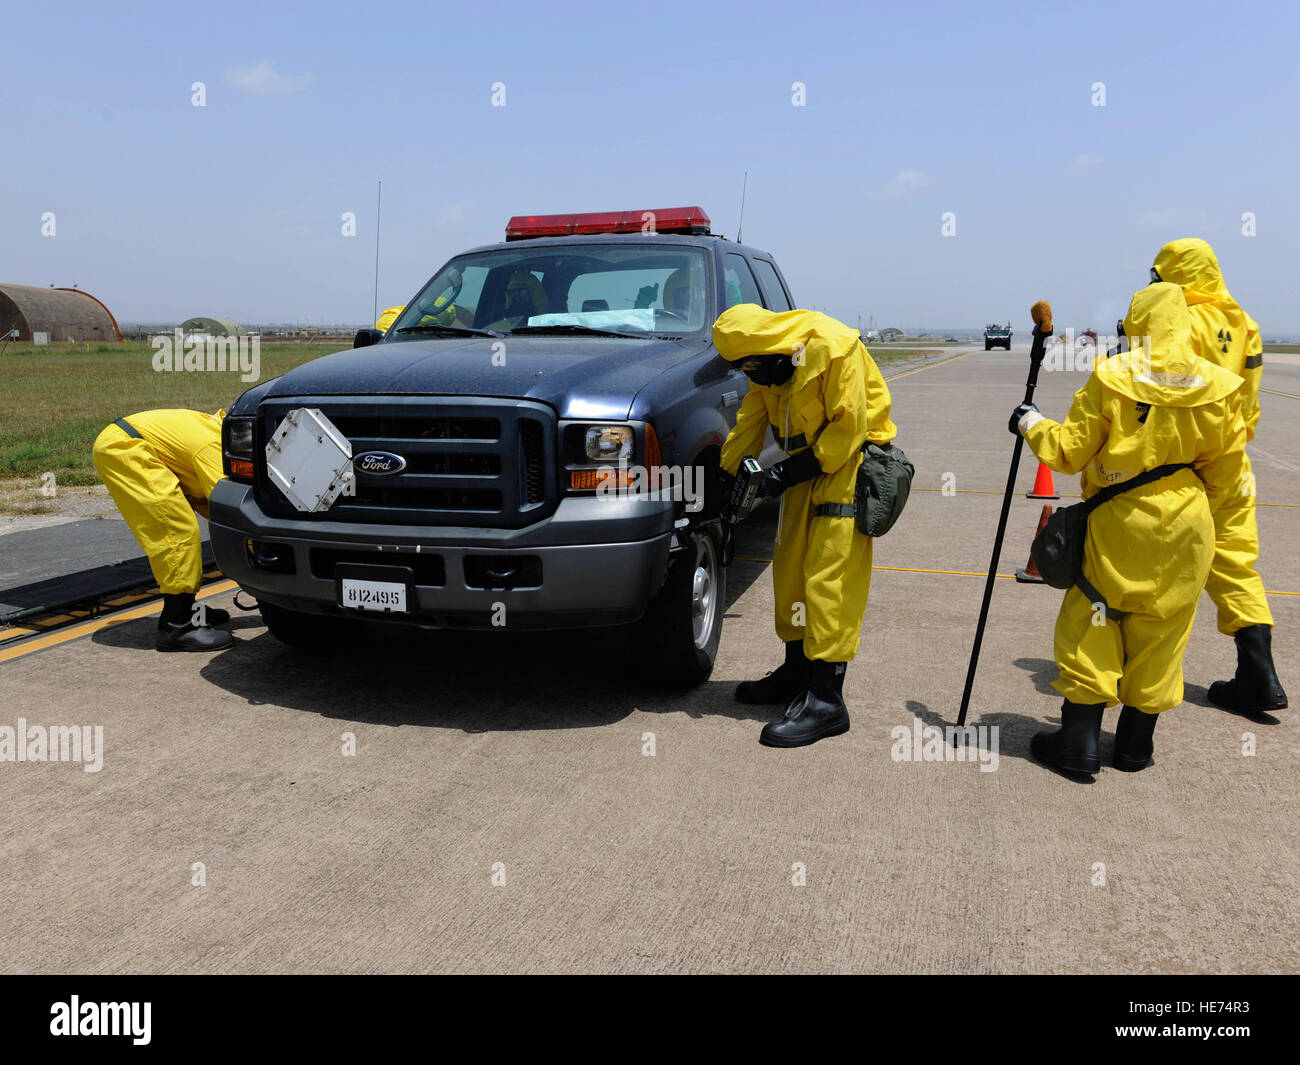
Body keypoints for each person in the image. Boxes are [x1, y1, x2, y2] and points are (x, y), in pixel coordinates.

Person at [1010, 283, 1247, 773]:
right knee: (1163, 631)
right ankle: (1136, 747)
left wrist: (1030, 423)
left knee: (1093, 617)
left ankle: (1079, 743)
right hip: (1191, 522)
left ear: (1136, 323)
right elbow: (1227, 478)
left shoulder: (1114, 376)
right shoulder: (1220, 385)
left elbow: (1070, 452)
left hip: (1121, 524)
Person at [715, 304, 897, 747]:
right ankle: (797, 673)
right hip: (802, 471)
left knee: (828, 579)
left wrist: (783, 475)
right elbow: (750, 422)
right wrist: (724, 478)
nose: (754, 377)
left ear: (778, 346)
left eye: (756, 367)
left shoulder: (836, 349)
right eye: (744, 370)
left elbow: (847, 428)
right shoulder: (766, 368)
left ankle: (827, 701)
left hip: (848, 466)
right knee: (792, 570)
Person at [1151, 238, 1286, 715]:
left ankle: (1135, 674)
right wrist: (1236, 438)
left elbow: (1152, 386)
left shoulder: (1171, 316)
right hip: (1231, 454)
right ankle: (1259, 673)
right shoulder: (1244, 321)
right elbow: (1249, 393)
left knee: (1148, 556)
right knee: (1234, 558)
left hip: (1177, 456)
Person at [92, 409, 235, 652]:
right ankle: (177, 627)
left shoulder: (219, 435)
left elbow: (212, 506)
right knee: (176, 530)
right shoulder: (215, 446)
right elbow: (230, 509)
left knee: (180, 527)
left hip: (130, 442)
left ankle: (189, 609)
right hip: (125, 447)